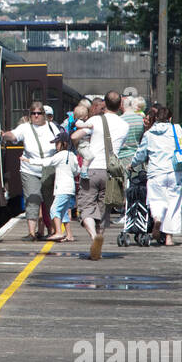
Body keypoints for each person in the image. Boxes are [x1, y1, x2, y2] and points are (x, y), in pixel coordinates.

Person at [71, 90, 130, 260]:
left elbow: (76, 135)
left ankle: (92, 237)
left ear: (104, 103)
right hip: (112, 172)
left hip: (92, 169)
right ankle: (100, 240)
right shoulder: (124, 125)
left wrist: (81, 144)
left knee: (86, 207)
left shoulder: (96, 120)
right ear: (120, 106)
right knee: (104, 209)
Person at [1, 101, 60, 240]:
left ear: (44, 115)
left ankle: (53, 230)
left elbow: (60, 142)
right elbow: (14, 135)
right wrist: (4, 135)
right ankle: (32, 233)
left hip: (49, 168)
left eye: (39, 113)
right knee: (32, 199)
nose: (36, 116)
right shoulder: (25, 128)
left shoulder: (52, 127)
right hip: (30, 170)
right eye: (33, 113)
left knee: (50, 200)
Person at [131, 104, 182, 246]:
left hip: (156, 173)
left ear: (156, 118)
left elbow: (140, 154)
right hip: (175, 171)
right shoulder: (177, 129)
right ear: (170, 118)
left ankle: (157, 218)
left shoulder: (149, 134)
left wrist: (131, 164)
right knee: (174, 203)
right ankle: (169, 238)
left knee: (157, 200)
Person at [43, 129, 79, 241]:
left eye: (57, 143)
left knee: (54, 210)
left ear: (63, 143)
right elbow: (77, 171)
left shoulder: (59, 155)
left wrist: (28, 160)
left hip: (62, 189)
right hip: (70, 188)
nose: (56, 146)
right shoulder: (72, 155)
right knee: (63, 212)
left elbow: (46, 162)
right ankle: (69, 235)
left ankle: (58, 232)